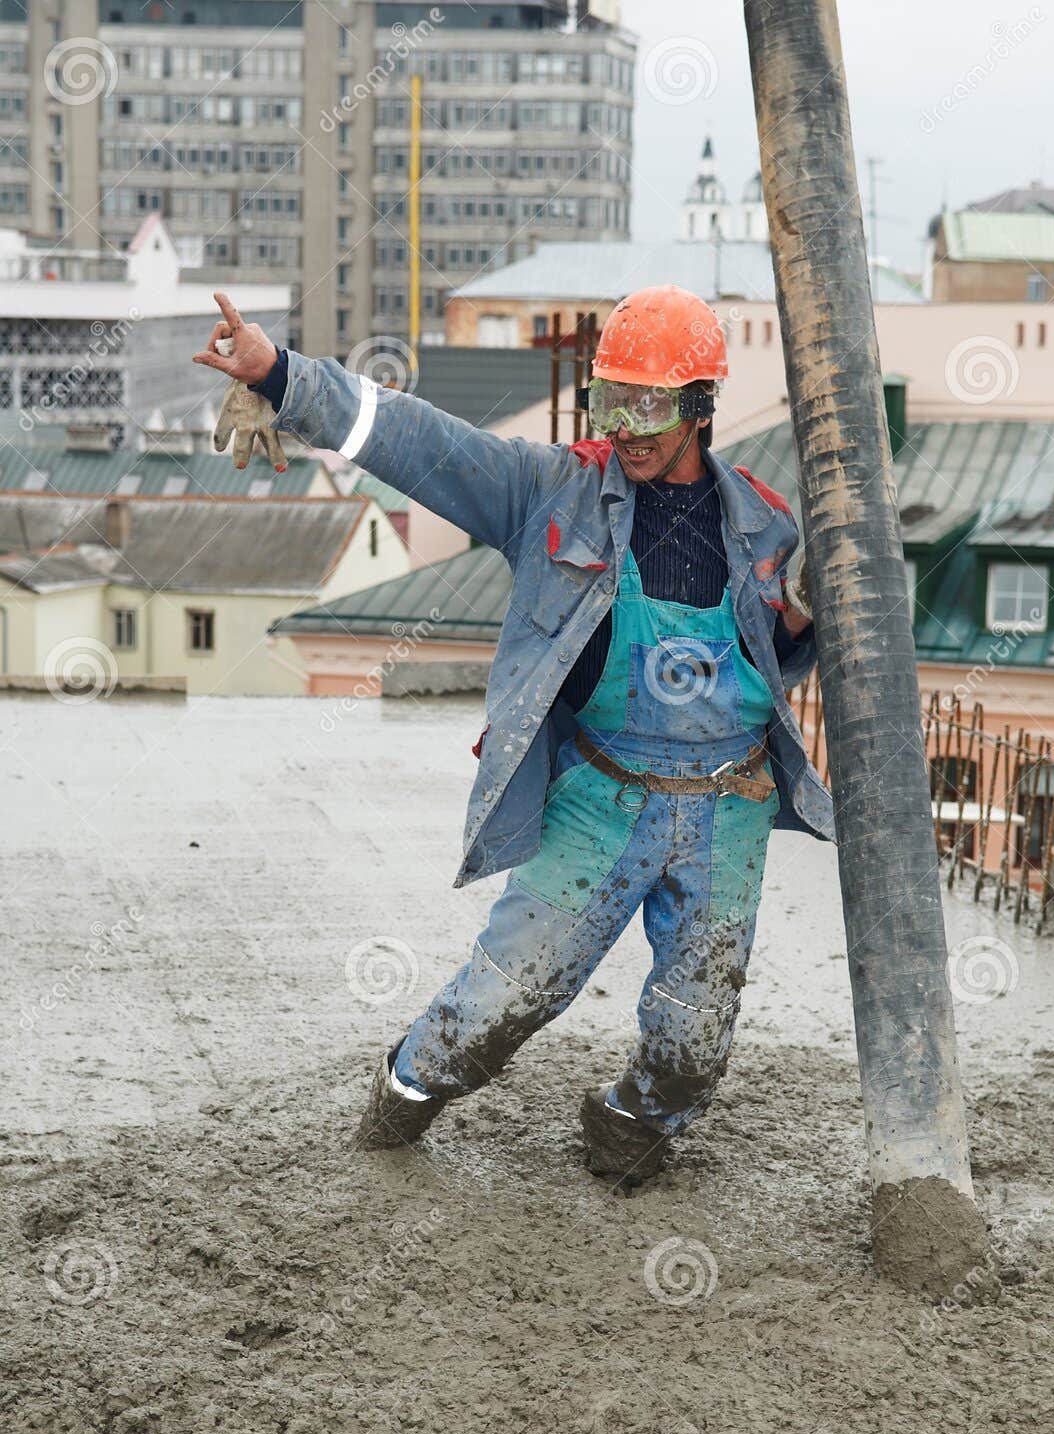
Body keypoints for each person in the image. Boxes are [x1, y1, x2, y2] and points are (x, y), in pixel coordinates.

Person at [195, 285, 835, 1189]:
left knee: (696, 1032)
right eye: (611, 401)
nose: (628, 426)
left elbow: (771, 658)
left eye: (649, 405)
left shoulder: (765, 523)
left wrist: (803, 616)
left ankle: (628, 1122)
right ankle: (405, 1094)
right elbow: (421, 443)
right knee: (506, 997)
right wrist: (283, 375)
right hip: (603, 798)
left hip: (729, 803)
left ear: (699, 405)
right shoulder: (549, 492)